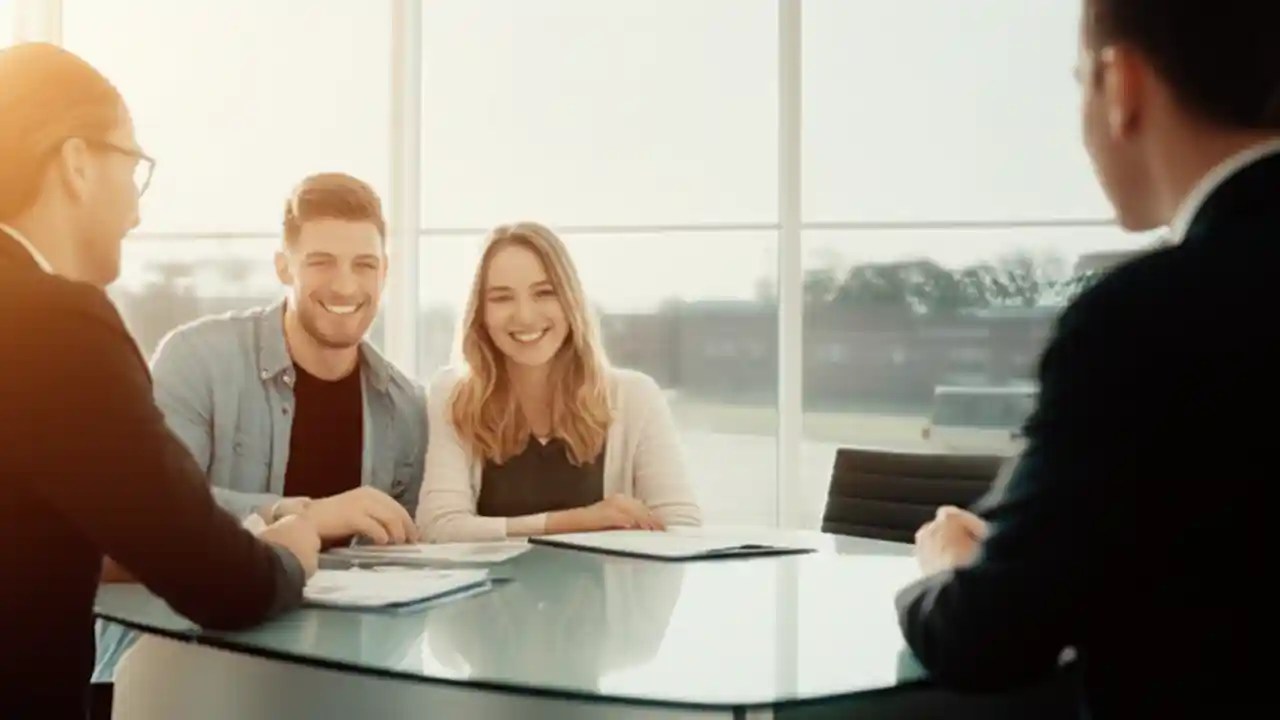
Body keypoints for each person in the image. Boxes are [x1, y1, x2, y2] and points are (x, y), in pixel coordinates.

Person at [895, 0, 1280, 716]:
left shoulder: (1148, 317)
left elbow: (992, 636)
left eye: (1080, 81)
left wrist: (946, 567)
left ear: (1122, 84)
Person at [0, 42, 321, 718]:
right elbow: (218, 580)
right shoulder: (57, 327)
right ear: (77, 162)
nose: (137, 213)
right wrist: (288, 553)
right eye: (133, 167)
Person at [92, 173, 426, 694]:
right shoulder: (198, 358)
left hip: (333, 670)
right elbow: (148, 516)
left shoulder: (404, 408)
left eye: (364, 265)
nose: (345, 285)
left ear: (385, 273)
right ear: (283, 267)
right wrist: (302, 516)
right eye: (321, 262)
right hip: (175, 660)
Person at [417, 222, 702, 542]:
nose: (525, 316)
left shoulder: (636, 397)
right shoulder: (452, 395)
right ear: (480, 313)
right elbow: (437, 528)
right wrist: (580, 521)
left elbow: (682, 528)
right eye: (501, 298)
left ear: (571, 301)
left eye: (544, 293)